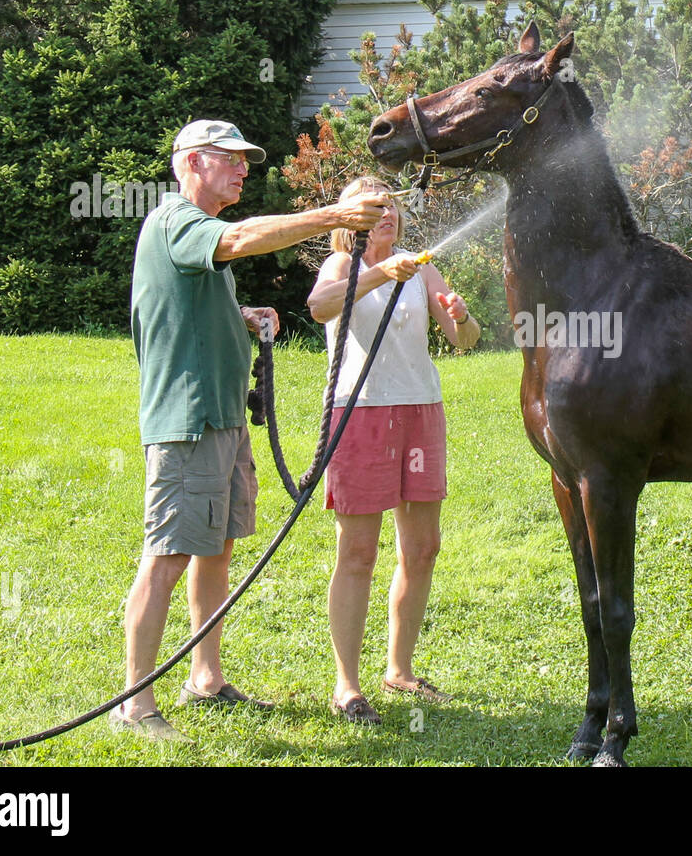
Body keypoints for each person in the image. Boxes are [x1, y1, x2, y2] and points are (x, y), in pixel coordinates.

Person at [113, 120, 389, 741]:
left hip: (221, 418)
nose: (243, 168)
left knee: (215, 548)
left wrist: (240, 314)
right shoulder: (178, 221)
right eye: (230, 159)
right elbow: (238, 239)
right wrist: (334, 216)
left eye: (244, 160)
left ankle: (205, 678)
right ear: (192, 162)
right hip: (187, 422)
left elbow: (180, 307)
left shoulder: (194, 233)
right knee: (167, 555)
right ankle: (135, 704)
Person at [306, 176, 480, 725]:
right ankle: (347, 686)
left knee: (423, 547)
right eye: (375, 207)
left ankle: (400, 670)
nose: (388, 215)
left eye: (393, 207)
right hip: (359, 415)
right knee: (358, 552)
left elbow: (465, 341)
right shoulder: (341, 266)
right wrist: (380, 272)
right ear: (351, 216)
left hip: (419, 410)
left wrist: (461, 315)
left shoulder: (421, 265)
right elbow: (319, 308)